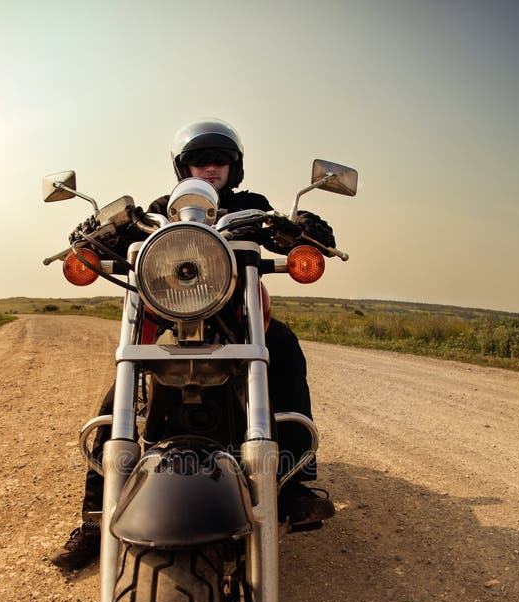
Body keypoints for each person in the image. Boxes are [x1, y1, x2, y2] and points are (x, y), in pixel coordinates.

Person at [51, 119, 335, 571]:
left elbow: (287, 233)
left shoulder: (252, 207)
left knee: (284, 350)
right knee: (121, 394)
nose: (209, 167)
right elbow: (120, 235)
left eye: (218, 160)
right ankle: (94, 515)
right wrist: (93, 231)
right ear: (183, 166)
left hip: (239, 320)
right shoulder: (158, 211)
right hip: (170, 318)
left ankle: (296, 481)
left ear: (233, 167)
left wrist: (304, 227)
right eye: (199, 160)